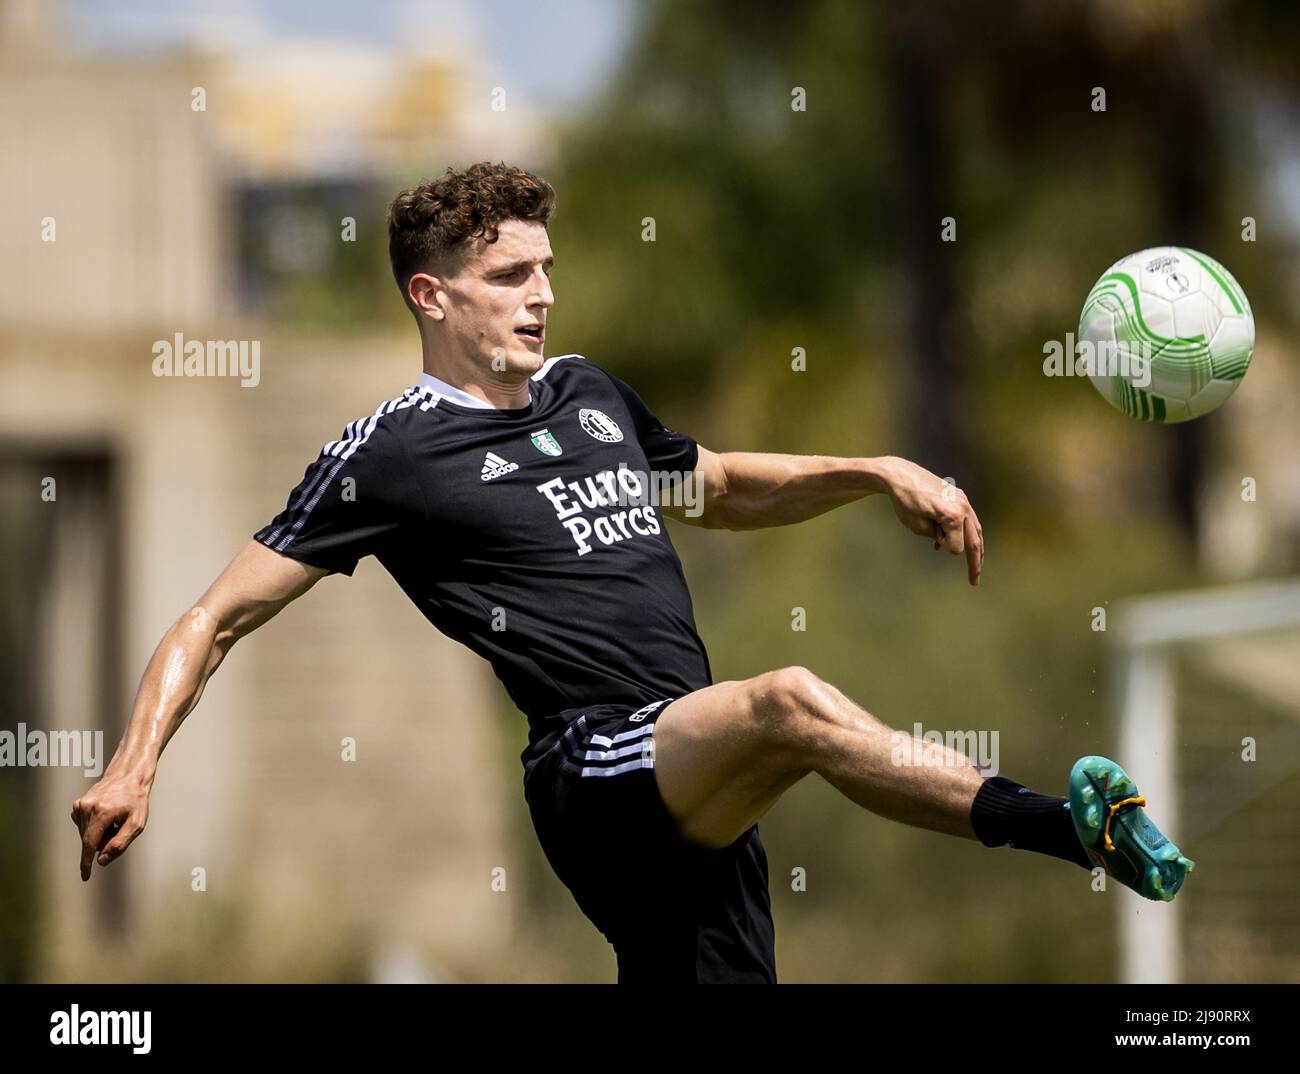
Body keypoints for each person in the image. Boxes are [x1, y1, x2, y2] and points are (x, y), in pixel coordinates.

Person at [71, 161, 1193, 983]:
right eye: (510, 275)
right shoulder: (390, 454)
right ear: (432, 296)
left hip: (694, 780)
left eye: (546, 270)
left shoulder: (588, 392)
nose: (542, 294)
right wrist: (133, 765)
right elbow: (215, 616)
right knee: (790, 702)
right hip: (591, 765)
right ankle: (1070, 827)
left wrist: (873, 471)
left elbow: (719, 486)